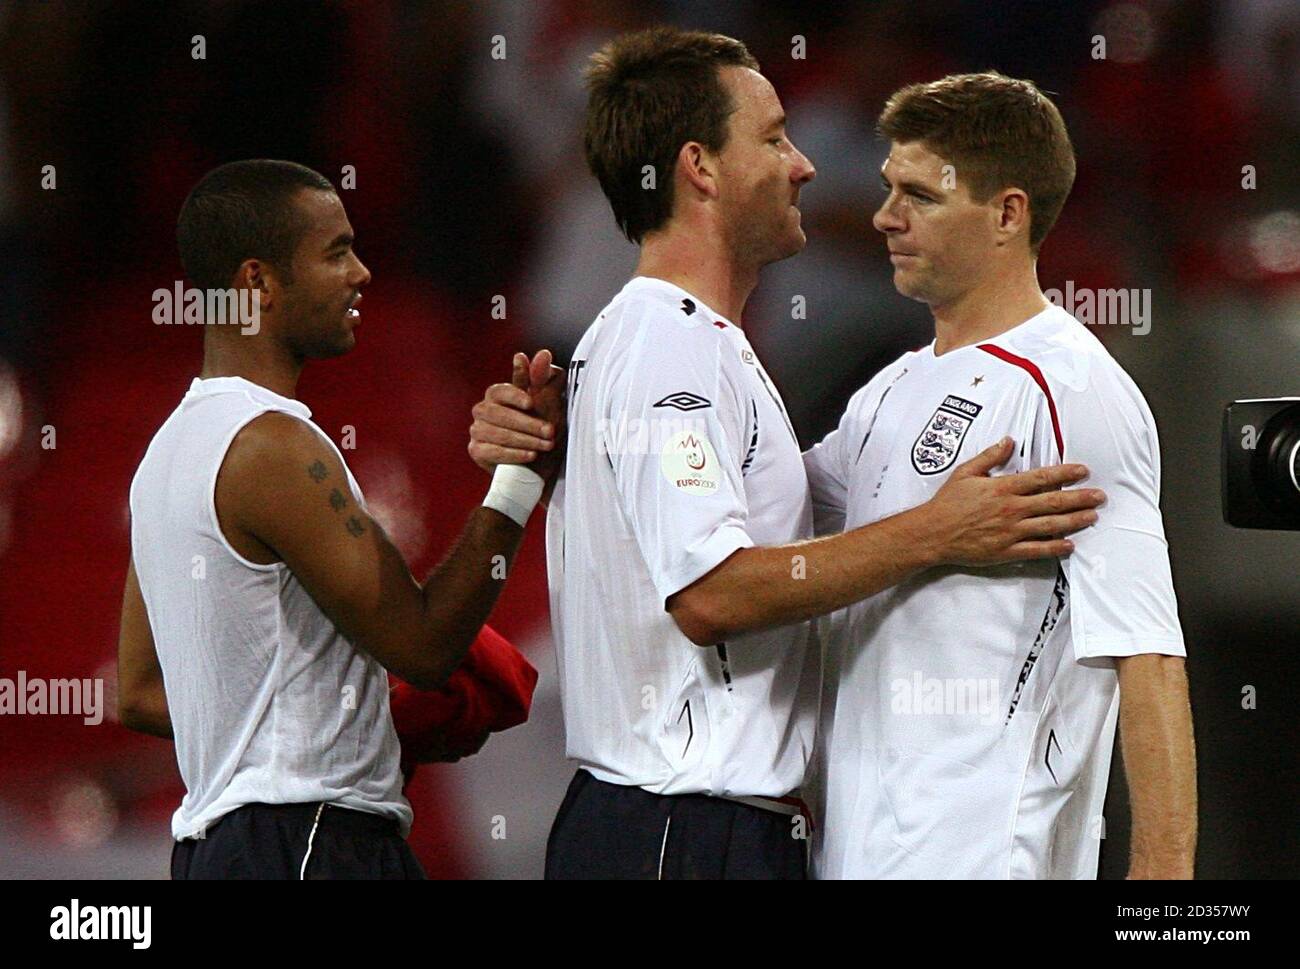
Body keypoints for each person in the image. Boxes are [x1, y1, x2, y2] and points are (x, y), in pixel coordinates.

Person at [466, 28, 1103, 880]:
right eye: (772, 139)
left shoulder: (695, 344)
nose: (803, 166)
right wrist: (939, 533)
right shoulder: (668, 347)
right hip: (681, 832)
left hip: (695, 828)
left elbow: (811, 499)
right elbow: (709, 590)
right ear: (699, 168)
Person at [803, 72, 1195, 879]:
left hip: (987, 858)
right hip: (858, 853)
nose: (885, 216)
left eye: (919, 195)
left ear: (1007, 214)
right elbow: (766, 514)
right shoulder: (887, 391)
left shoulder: (1073, 390)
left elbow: (1149, 659)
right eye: (888, 189)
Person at [117, 159, 548, 879]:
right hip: (313, 843)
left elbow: (139, 691)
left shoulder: (164, 456)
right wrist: (518, 482)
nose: (362, 274)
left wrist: (337, 719)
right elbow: (423, 642)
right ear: (257, 282)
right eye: (336, 251)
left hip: (217, 852)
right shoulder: (274, 446)